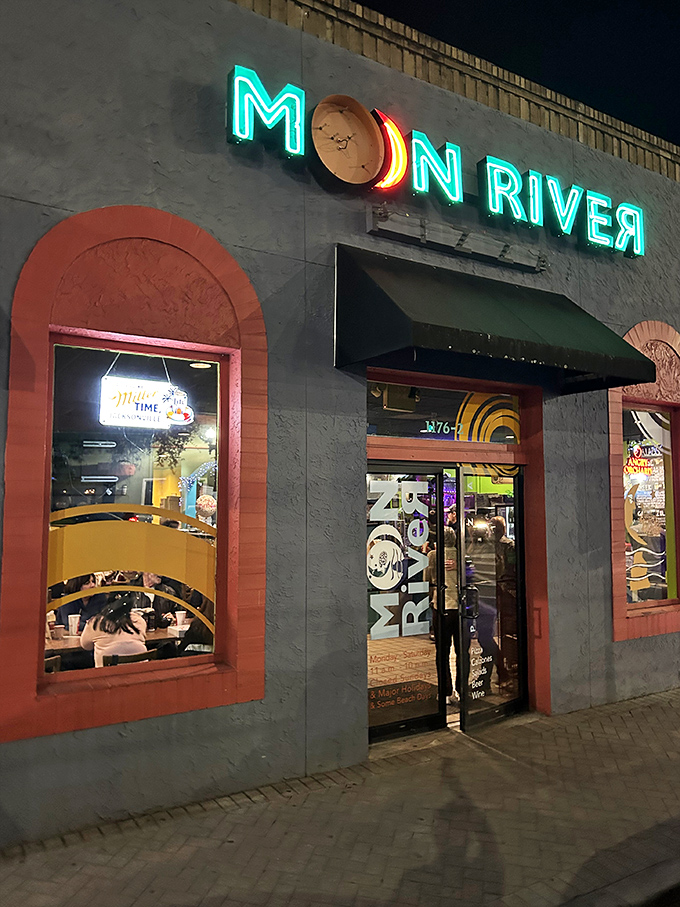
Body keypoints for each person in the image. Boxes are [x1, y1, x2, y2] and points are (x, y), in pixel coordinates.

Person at [425, 527, 461, 705]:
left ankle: (446, 691)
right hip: (460, 608)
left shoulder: (433, 555)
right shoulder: (462, 555)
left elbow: (427, 579)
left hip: (441, 607)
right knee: (462, 652)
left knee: (443, 652)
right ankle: (462, 689)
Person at [80, 593, 148, 667]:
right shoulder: (139, 620)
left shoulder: (95, 622)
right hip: (141, 672)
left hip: (107, 673)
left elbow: (86, 646)